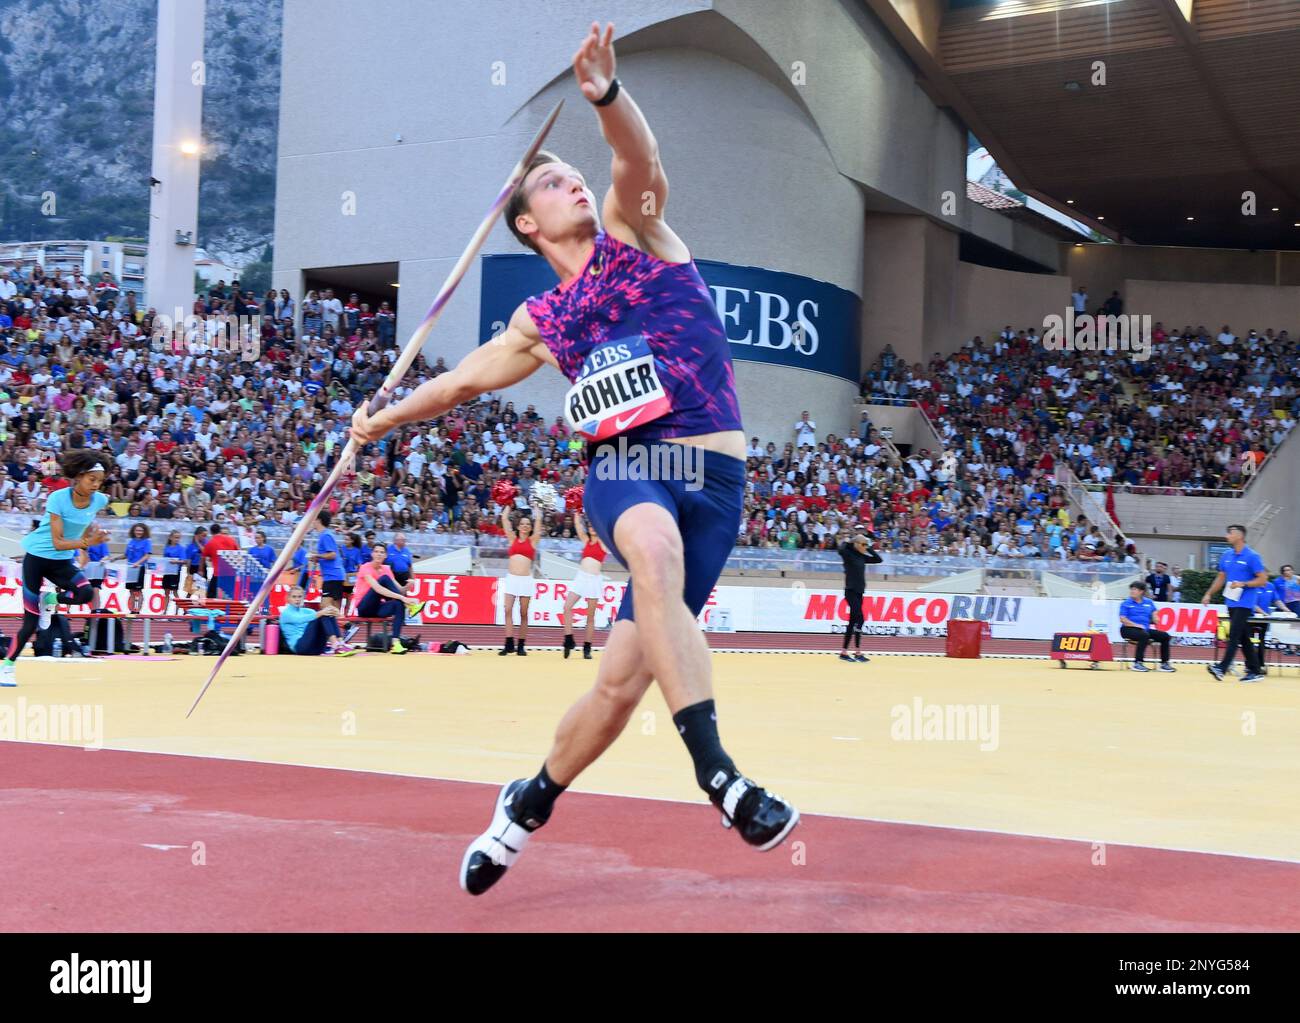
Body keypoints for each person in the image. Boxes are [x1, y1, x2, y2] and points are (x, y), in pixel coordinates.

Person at [350, 23, 797, 897]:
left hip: (719, 485)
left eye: (574, 174)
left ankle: (527, 801)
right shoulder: (542, 320)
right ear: (527, 221)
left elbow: (639, 158)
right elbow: (456, 387)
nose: (577, 183)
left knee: (619, 689)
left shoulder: (640, 234)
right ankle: (722, 778)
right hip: (632, 467)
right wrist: (378, 423)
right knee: (653, 553)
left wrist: (606, 97)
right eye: (555, 182)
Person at [2, 450, 112, 686]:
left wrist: (85, 547)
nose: (96, 485)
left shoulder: (101, 500)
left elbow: (84, 523)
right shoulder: (58, 498)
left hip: (61, 561)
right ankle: (7, 666)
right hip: (38, 558)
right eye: (91, 480)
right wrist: (87, 543)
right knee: (30, 624)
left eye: (100, 481)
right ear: (79, 476)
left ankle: (50, 598)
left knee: (85, 593)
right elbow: (58, 541)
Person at [1202, 524, 1270, 683]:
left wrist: (1244, 584)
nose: (1227, 536)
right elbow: (1220, 577)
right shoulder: (1226, 555)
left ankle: (1221, 668)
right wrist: (1208, 593)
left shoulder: (1252, 556)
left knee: (1234, 635)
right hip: (1231, 601)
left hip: (1245, 603)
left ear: (1240, 536)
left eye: (1230, 533)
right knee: (1243, 637)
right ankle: (1255, 670)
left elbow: (1262, 580)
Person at [351, 542, 424, 655]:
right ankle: (409, 606)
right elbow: (378, 588)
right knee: (384, 579)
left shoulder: (386, 568)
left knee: (397, 604)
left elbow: (399, 589)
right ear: (372, 554)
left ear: (386, 555)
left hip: (378, 607)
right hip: (364, 607)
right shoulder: (365, 568)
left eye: (382, 552)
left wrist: (407, 587)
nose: (379, 554)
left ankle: (395, 643)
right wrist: (404, 599)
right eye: (376, 552)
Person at [561, 511, 606, 660]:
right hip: (581, 577)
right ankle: (569, 639)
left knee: (590, 617)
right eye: (590, 525)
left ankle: (587, 647)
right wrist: (576, 510)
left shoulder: (603, 543)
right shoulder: (586, 540)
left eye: (595, 526)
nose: (592, 527)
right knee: (567, 607)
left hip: (594, 580)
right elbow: (577, 525)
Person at [499, 502, 539, 656]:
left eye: (528, 524)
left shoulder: (533, 540)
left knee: (523, 613)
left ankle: (521, 645)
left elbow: (539, 524)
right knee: (507, 609)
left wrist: (537, 510)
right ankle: (509, 643)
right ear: (518, 526)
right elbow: (504, 519)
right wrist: (507, 503)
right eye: (522, 523)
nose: (525, 526)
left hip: (525, 581)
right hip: (512, 579)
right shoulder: (512, 538)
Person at [838, 532, 882, 662]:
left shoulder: (862, 557)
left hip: (859, 592)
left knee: (853, 622)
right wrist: (849, 541)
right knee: (860, 618)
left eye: (866, 544)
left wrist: (868, 548)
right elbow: (841, 549)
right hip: (850, 591)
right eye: (863, 544)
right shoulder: (848, 554)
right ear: (856, 544)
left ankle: (846, 652)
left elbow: (879, 559)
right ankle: (855, 651)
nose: (865, 546)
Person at [277, 585, 355, 656]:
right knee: (322, 614)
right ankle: (335, 644)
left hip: (316, 648)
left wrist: (334, 612)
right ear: (288, 598)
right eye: (294, 597)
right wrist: (322, 612)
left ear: (303, 598)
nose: (297, 599)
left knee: (326, 612)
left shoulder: (306, 611)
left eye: (299, 597)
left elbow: (323, 616)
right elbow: (300, 620)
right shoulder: (286, 613)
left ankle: (341, 643)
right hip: (300, 647)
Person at [1118, 581, 1175, 672]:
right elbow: (1123, 620)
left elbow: (1154, 612)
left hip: (1144, 629)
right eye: (1131, 589)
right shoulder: (1126, 603)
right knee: (1144, 635)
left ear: (1141, 591)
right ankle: (1137, 663)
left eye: (1134, 589)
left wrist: (1155, 616)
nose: (1132, 591)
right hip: (1127, 629)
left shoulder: (1149, 602)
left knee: (1165, 636)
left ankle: (1164, 664)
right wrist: (1137, 625)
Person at [310, 510, 346, 612]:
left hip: (332, 576)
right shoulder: (324, 535)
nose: (312, 522)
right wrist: (319, 558)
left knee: (326, 606)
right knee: (333, 607)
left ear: (319, 520)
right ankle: (347, 626)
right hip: (332, 575)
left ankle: (348, 625)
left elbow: (333, 554)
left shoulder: (326, 535)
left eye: (314, 519)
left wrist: (318, 555)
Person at [123, 523, 152, 615]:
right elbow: (126, 555)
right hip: (130, 568)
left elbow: (147, 555)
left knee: (138, 590)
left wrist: (137, 563)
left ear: (144, 532)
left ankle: (138, 610)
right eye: (137, 530)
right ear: (133, 531)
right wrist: (115, 558)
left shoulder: (147, 542)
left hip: (139, 568)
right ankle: (131, 610)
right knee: (131, 590)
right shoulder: (131, 541)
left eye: (141, 530)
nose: (138, 532)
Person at [160, 529, 187, 609]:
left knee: (175, 592)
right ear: (170, 538)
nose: (177, 539)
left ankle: (178, 612)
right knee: (166, 592)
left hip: (175, 573)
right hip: (167, 572)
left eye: (178, 538)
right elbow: (164, 560)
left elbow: (184, 561)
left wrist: (176, 562)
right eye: (175, 537)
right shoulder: (167, 548)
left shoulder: (181, 548)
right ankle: (164, 612)